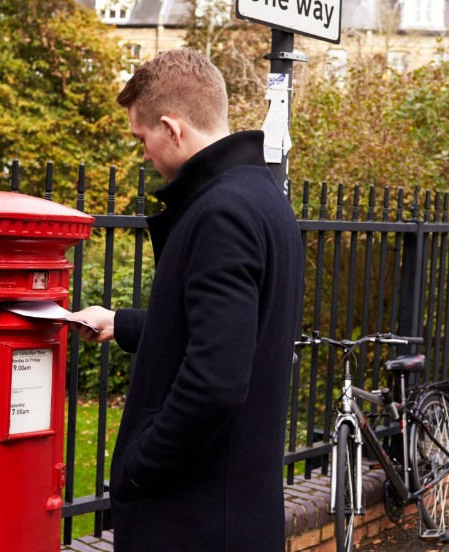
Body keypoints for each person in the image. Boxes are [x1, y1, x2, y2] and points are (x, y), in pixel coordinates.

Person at [67, 48, 302, 551]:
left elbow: (215, 381)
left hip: (193, 520)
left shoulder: (220, 214)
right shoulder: (263, 198)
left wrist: (138, 468)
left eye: (143, 138)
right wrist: (122, 324)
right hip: (237, 510)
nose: (144, 154)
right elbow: (232, 331)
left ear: (172, 129)